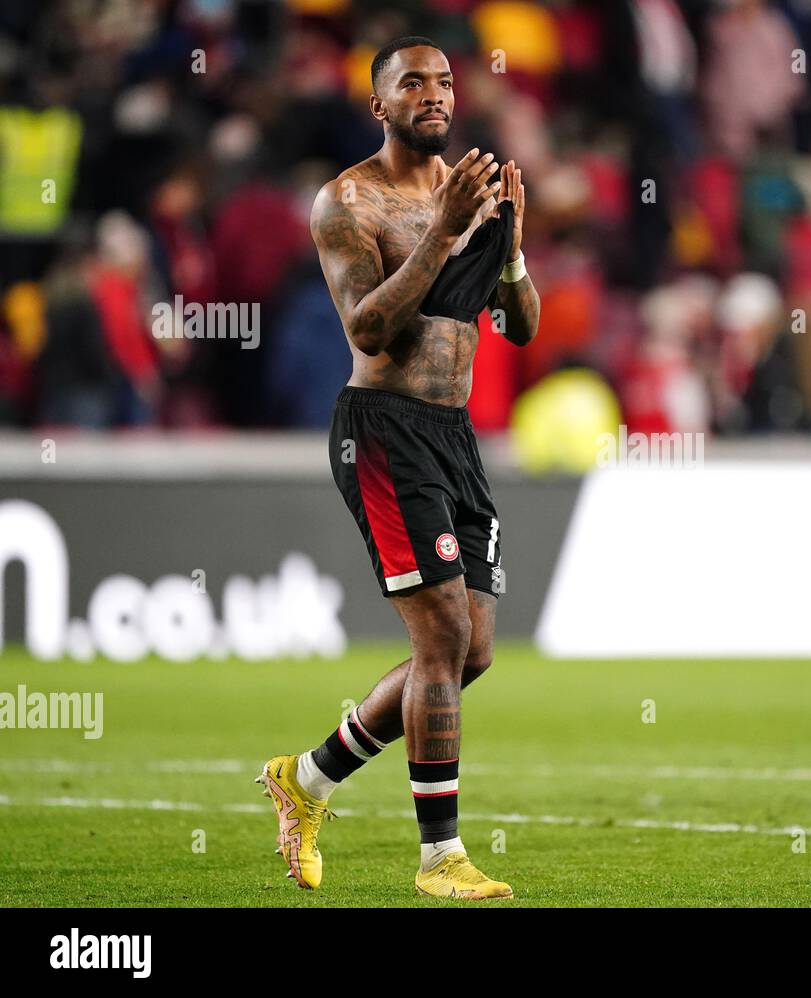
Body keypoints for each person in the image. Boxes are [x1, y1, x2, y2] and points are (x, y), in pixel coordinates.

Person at [256, 37, 540, 900]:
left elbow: (520, 326)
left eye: (445, 81)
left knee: (472, 651)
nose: (434, 94)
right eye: (411, 82)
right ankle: (439, 858)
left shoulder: (475, 194)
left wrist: (512, 246)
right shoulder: (347, 200)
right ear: (376, 104)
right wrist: (450, 231)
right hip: (382, 430)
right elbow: (371, 330)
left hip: (454, 435)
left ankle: (304, 779)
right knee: (442, 640)